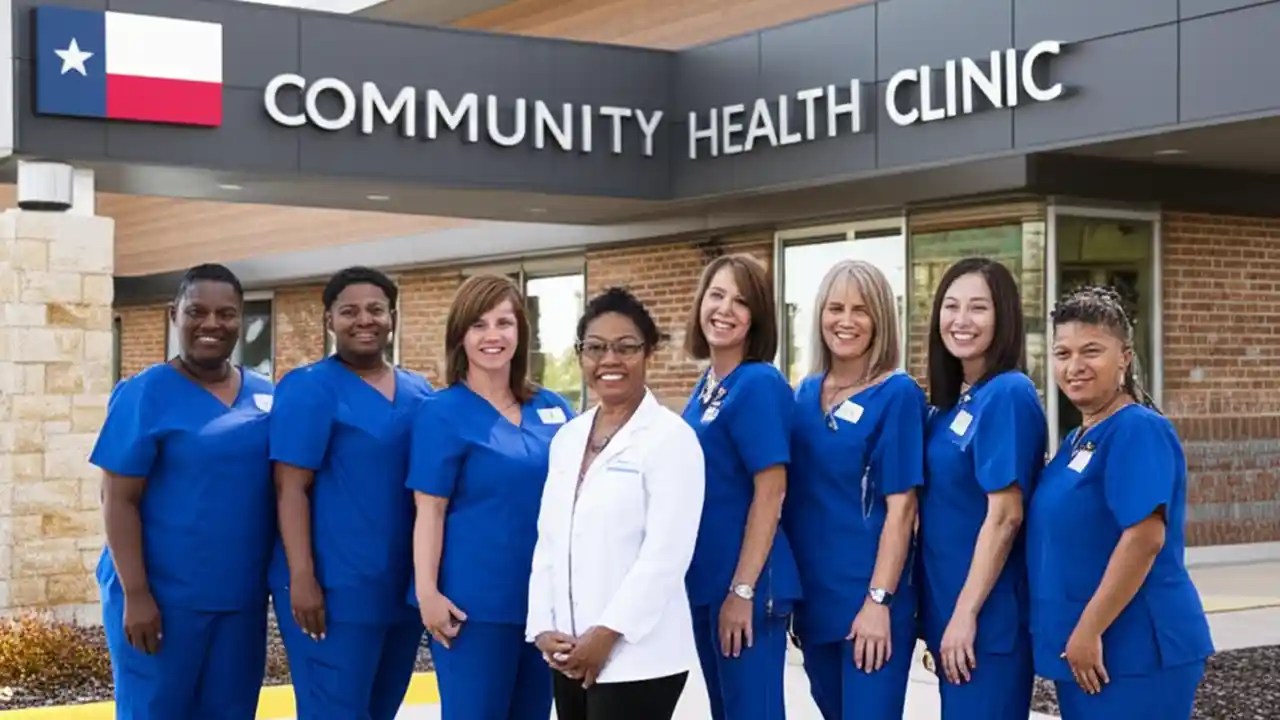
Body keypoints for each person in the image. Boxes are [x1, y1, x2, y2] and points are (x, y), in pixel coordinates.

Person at [90, 263, 275, 719]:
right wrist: (136, 594)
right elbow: (117, 499)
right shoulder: (145, 393)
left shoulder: (266, 395)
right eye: (197, 311)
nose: (212, 324)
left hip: (239, 599)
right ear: (175, 314)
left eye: (226, 314)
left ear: (241, 318)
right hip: (161, 599)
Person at [1028, 285, 1214, 719]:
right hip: (1091, 654)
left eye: (1091, 351)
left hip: (1135, 651)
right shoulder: (1077, 440)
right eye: (1062, 353)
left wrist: (1088, 631)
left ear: (1124, 357)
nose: (1075, 366)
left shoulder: (1137, 429)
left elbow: (1145, 538)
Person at [527, 286, 706, 720]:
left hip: (640, 657)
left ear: (649, 354)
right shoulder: (568, 437)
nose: (610, 360)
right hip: (568, 651)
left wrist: (606, 635)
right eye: (596, 348)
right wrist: (542, 629)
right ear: (580, 355)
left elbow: (666, 555)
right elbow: (548, 541)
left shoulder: (671, 439)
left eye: (626, 347)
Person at [407, 274, 575, 720]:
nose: (493, 336)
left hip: (546, 609)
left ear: (521, 331)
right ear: (460, 335)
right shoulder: (440, 413)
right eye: (479, 325)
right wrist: (427, 594)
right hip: (472, 609)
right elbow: (430, 510)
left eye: (504, 322)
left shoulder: (554, 408)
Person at [269, 266, 432, 720]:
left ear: (393, 318)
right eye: (350, 311)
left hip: (401, 586)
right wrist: (301, 577)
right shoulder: (309, 388)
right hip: (333, 587)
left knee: (382, 709)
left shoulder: (420, 392)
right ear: (329, 321)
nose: (365, 320)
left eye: (376, 309)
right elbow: (290, 487)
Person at [783, 260, 926, 720]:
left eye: (860, 310)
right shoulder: (804, 394)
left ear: (880, 319)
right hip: (814, 604)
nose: (845, 321)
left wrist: (878, 602)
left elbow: (902, 508)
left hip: (869, 604)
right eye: (835, 307)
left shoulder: (897, 395)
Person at [918, 257, 1046, 719]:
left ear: (1004, 317)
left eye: (978, 308)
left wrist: (965, 613)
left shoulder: (1008, 394)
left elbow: (1006, 515)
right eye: (950, 306)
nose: (961, 320)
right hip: (949, 617)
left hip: (985, 625)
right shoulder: (953, 404)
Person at [680, 254, 801, 720]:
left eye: (741, 301)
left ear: (757, 317)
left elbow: (772, 490)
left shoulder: (759, 383)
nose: (725, 309)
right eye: (716, 295)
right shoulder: (708, 384)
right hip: (708, 582)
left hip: (748, 585)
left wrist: (743, 590)